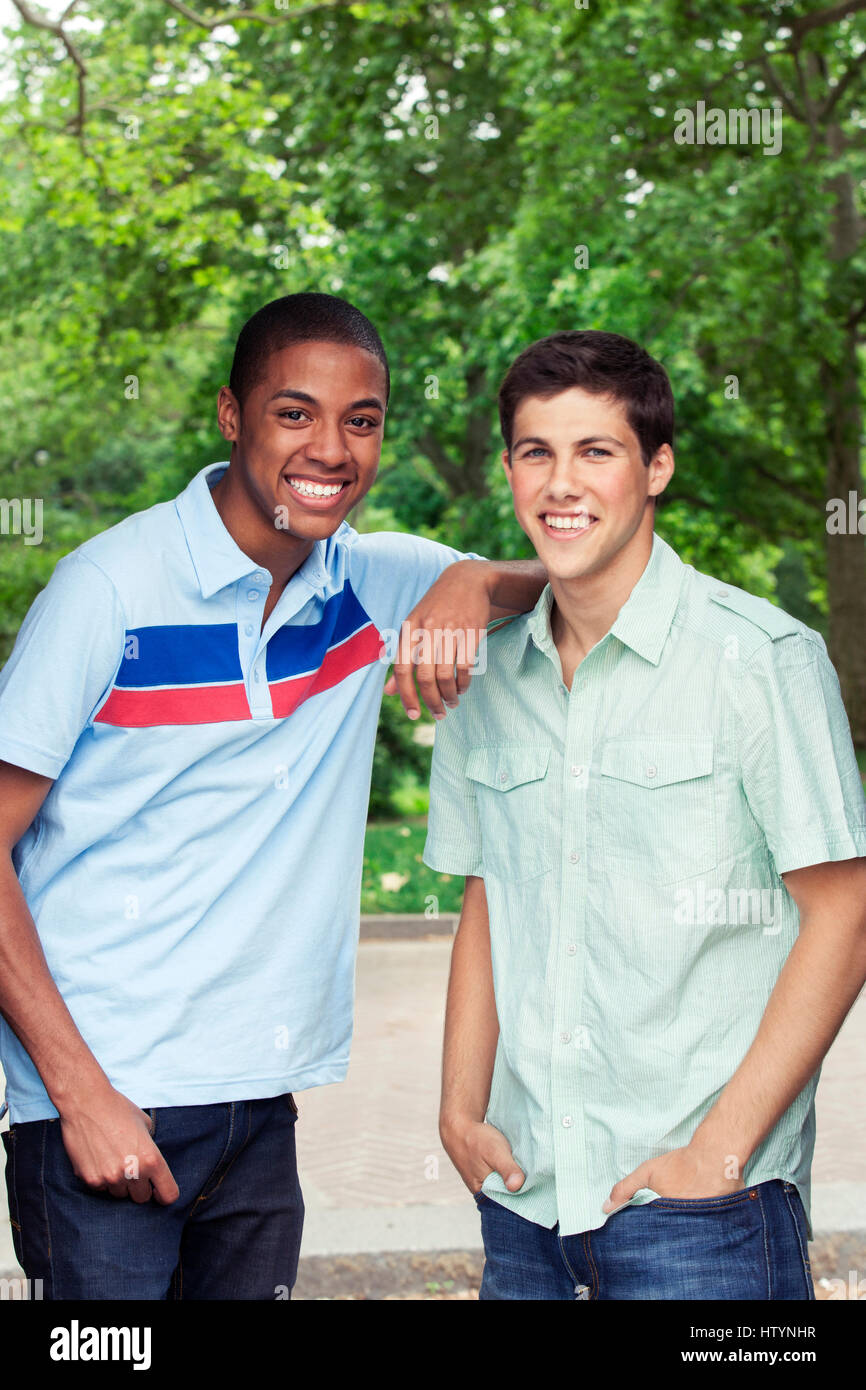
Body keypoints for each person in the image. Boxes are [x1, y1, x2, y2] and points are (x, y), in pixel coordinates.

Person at [0, 292, 546, 1300]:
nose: (330, 448)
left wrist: (472, 575)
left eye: (362, 419)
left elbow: (576, 576)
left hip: (256, 1111)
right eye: (294, 412)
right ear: (230, 415)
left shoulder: (371, 584)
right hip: (104, 1108)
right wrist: (83, 1097)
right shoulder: (107, 590)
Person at [423, 328, 866, 1301]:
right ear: (506, 469)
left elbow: (843, 916)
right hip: (524, 1196)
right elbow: (485, 897)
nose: (560, 482)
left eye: (596, 451)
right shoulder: (483, 676)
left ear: (654, 466)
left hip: (702, 1212)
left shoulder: (759, 660)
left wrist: (717, 1152)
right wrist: (457, 1111)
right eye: (536, 451)